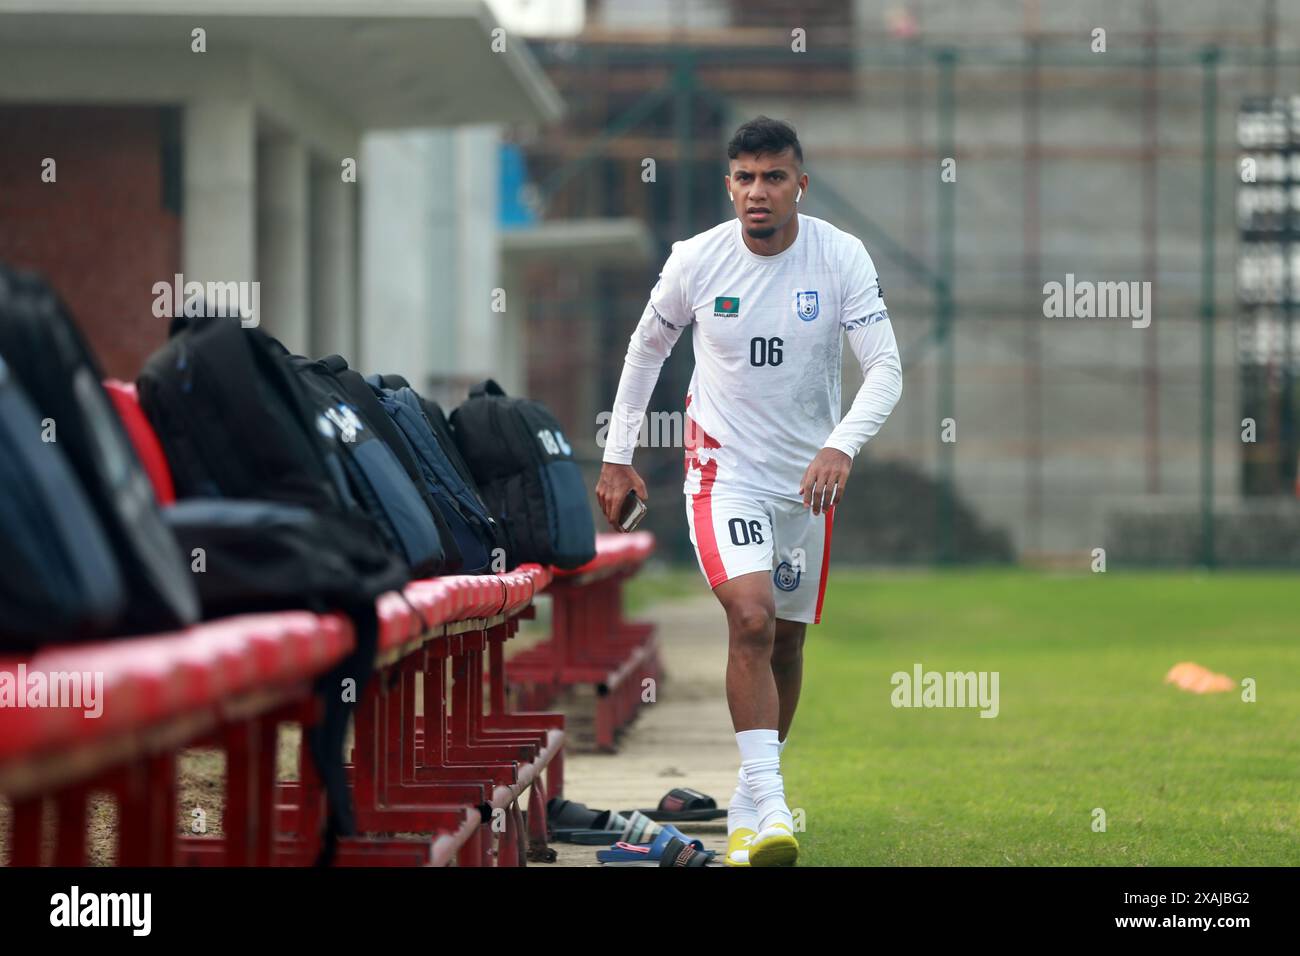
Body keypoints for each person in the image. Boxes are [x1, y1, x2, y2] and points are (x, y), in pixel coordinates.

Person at [595, 116, 902, 866]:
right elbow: (646, 349)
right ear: (728, 184)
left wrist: (840, 444)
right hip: (722, 473)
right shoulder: (696, 261)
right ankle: (771, 802)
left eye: (772, 177)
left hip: (807, 485)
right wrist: (617, 455)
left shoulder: (840, 257)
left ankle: (745, 809)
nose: (757, 193)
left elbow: (886, 367)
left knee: (786, 645)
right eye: (744, 178)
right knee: (753, 619)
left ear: (802, 183)